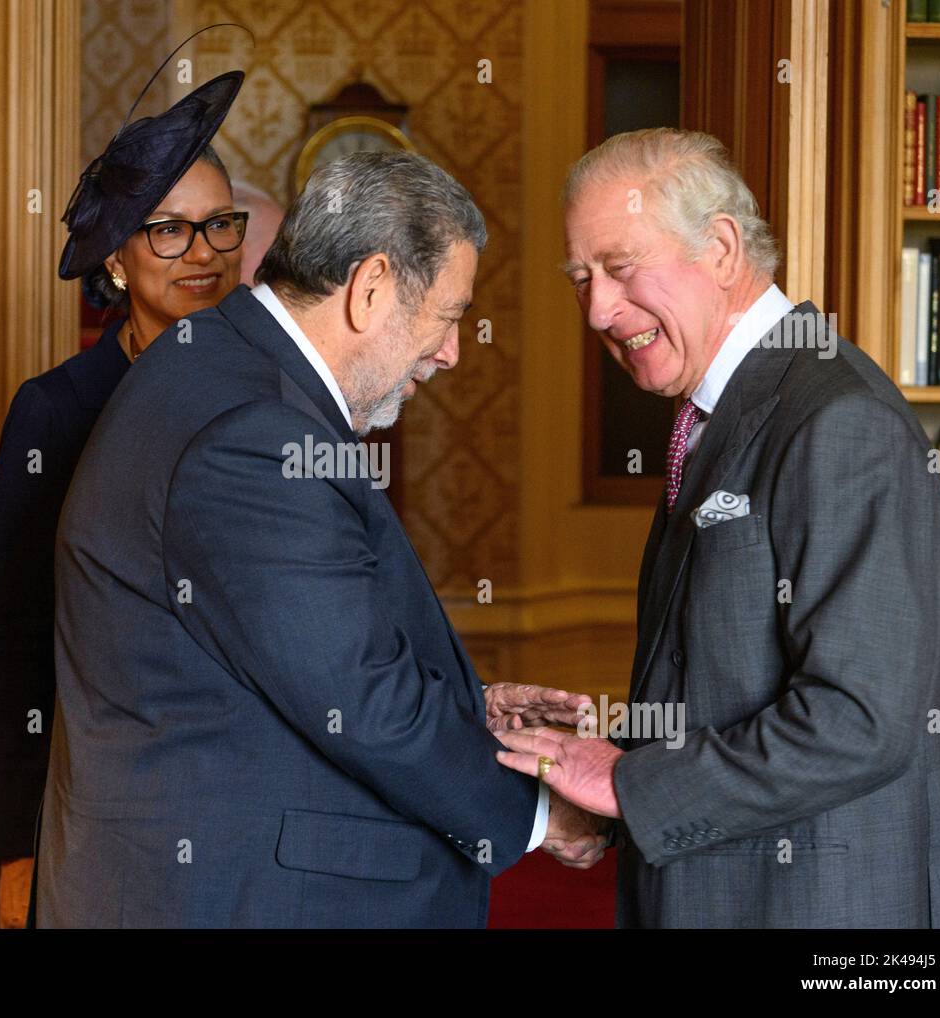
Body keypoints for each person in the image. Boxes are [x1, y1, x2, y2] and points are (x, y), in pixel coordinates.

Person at [36, 150, 606, 928]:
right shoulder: (256, 431)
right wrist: (546, 814)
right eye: (448, 316)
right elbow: (361, 699)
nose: (451, 352)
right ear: (370, 286)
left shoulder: (224, 368)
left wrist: (472, 709)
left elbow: (297, 653)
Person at [496, 127, 940, 928]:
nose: (596, 310)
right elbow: (733, 681)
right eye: (582, 278)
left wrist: (627, 783)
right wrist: (617, 749)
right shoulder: (726, 409)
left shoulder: (838, 418)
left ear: (721, 247)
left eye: (619, 269)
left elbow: (859, 722)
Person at [0, 70, 248, 929]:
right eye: (167, 232)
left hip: (243, 797)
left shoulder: (273, 397)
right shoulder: (53, 410)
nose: (202, 253)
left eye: (219, 227)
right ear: (117, 260)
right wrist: (17, 849)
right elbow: (9, 638)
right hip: (96, 807)